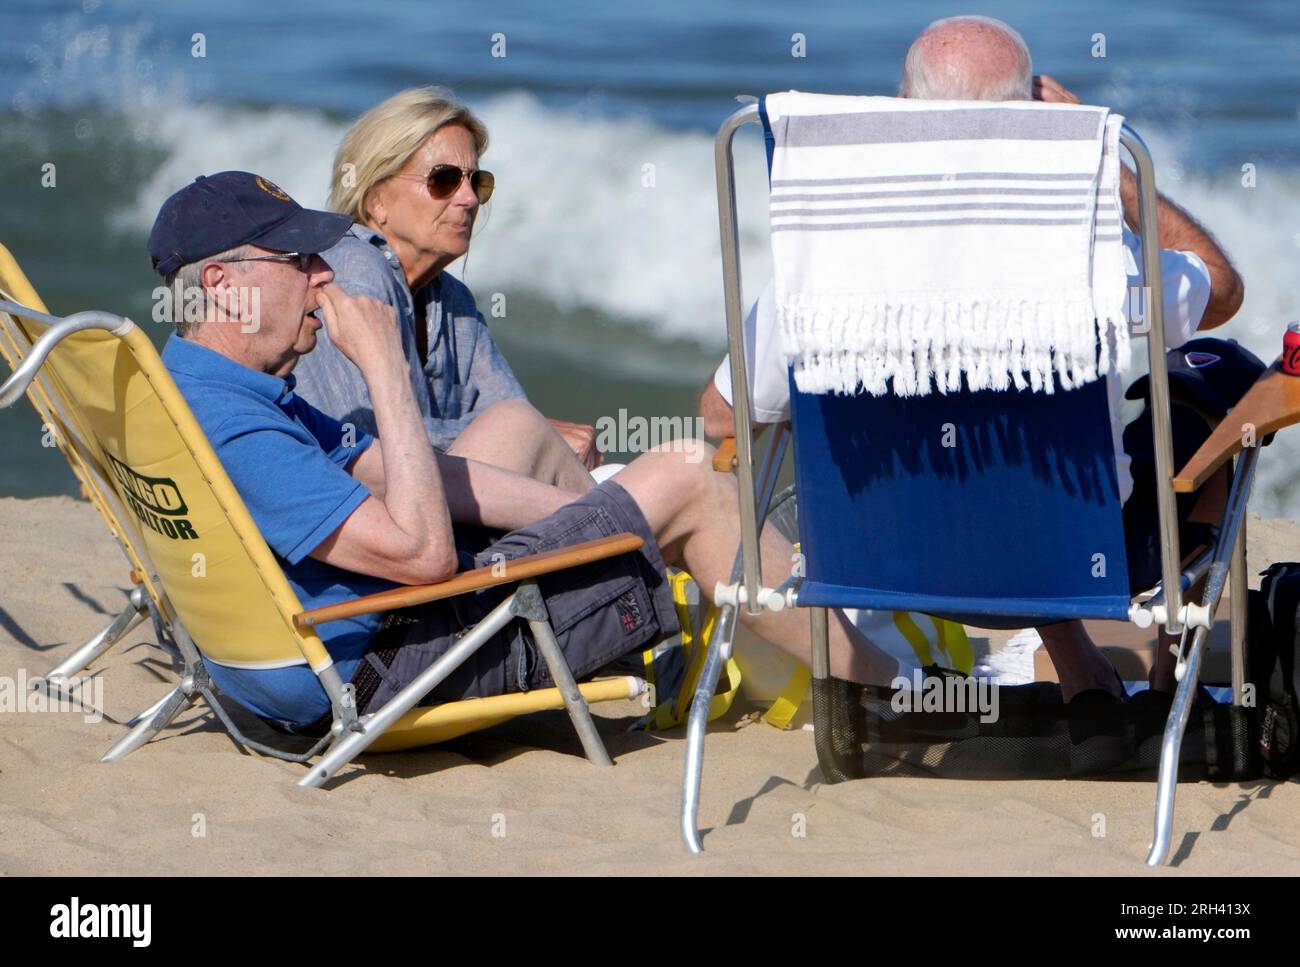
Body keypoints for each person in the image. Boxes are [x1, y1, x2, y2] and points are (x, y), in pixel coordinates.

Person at [147, 170, 898, 731]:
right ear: (224, 284)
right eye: (299, 261)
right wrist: (383, 369)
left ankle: (704, 568)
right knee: (696, 473)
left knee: (532, 437)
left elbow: (397, 470)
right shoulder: (238, 424)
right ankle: (891, 687)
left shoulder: (193, 381)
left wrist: (606, 512)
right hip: (380, 669)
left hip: (301, 651)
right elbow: (424, 558)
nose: (322, 276)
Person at [697, 15, 1246, 701]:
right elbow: (1221, 289)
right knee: (1221, 384)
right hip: (1084, 561)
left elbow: (723, 417)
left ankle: (1082, 675)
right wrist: (1108, 167)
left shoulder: (827, 266)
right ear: (1030, 122)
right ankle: (1167, 700)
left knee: (968, 435)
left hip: (876, 556)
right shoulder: (1091, 252)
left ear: (902, 114)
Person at [292, 86, 598, 497]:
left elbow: (509, 413)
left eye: (477, 181)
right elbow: (365, 443)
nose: (469, 199)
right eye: (445, 180)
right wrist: (539, 434)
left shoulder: (452, 300)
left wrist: (541, 437)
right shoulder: (351, 269)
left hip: (435, 506)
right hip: (364, 521)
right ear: (376, 199)